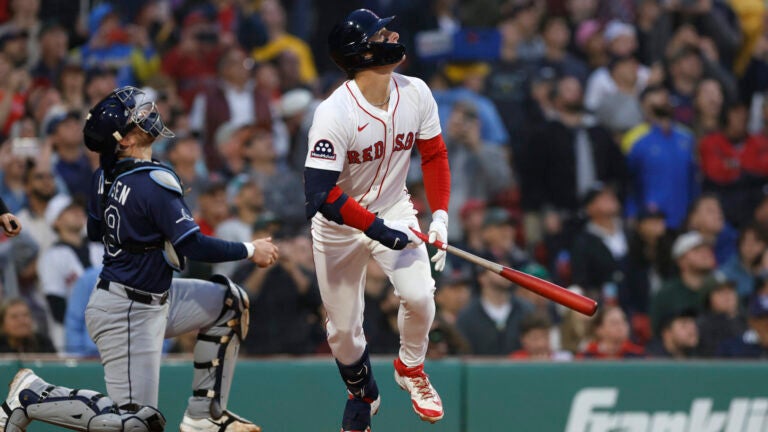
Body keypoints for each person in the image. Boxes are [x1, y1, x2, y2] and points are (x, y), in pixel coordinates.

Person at [0, 86, 279, 432]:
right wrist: (250, 250)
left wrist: (142, 230)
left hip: (152, 296)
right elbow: (194, 246)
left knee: (229, 301)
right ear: (125, 141)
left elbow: (93, 230)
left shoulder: (105, 175)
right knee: (136, 424)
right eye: (137, 119)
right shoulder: (150, 183)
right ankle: (33, 395)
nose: (148, 117)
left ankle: (204, 415)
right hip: (125, 311)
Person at [304, 9, 450, 431]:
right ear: (362, 53)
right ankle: (363, 392)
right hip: (340, 225)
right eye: (381, 33)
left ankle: (411, 368)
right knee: (343, 335)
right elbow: (320, 194)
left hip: (394, 208)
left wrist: (439, 215)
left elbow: (435, 155)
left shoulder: (416, 91)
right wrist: (372, 227)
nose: (393, 35)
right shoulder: (334, 113)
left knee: (421, 297)